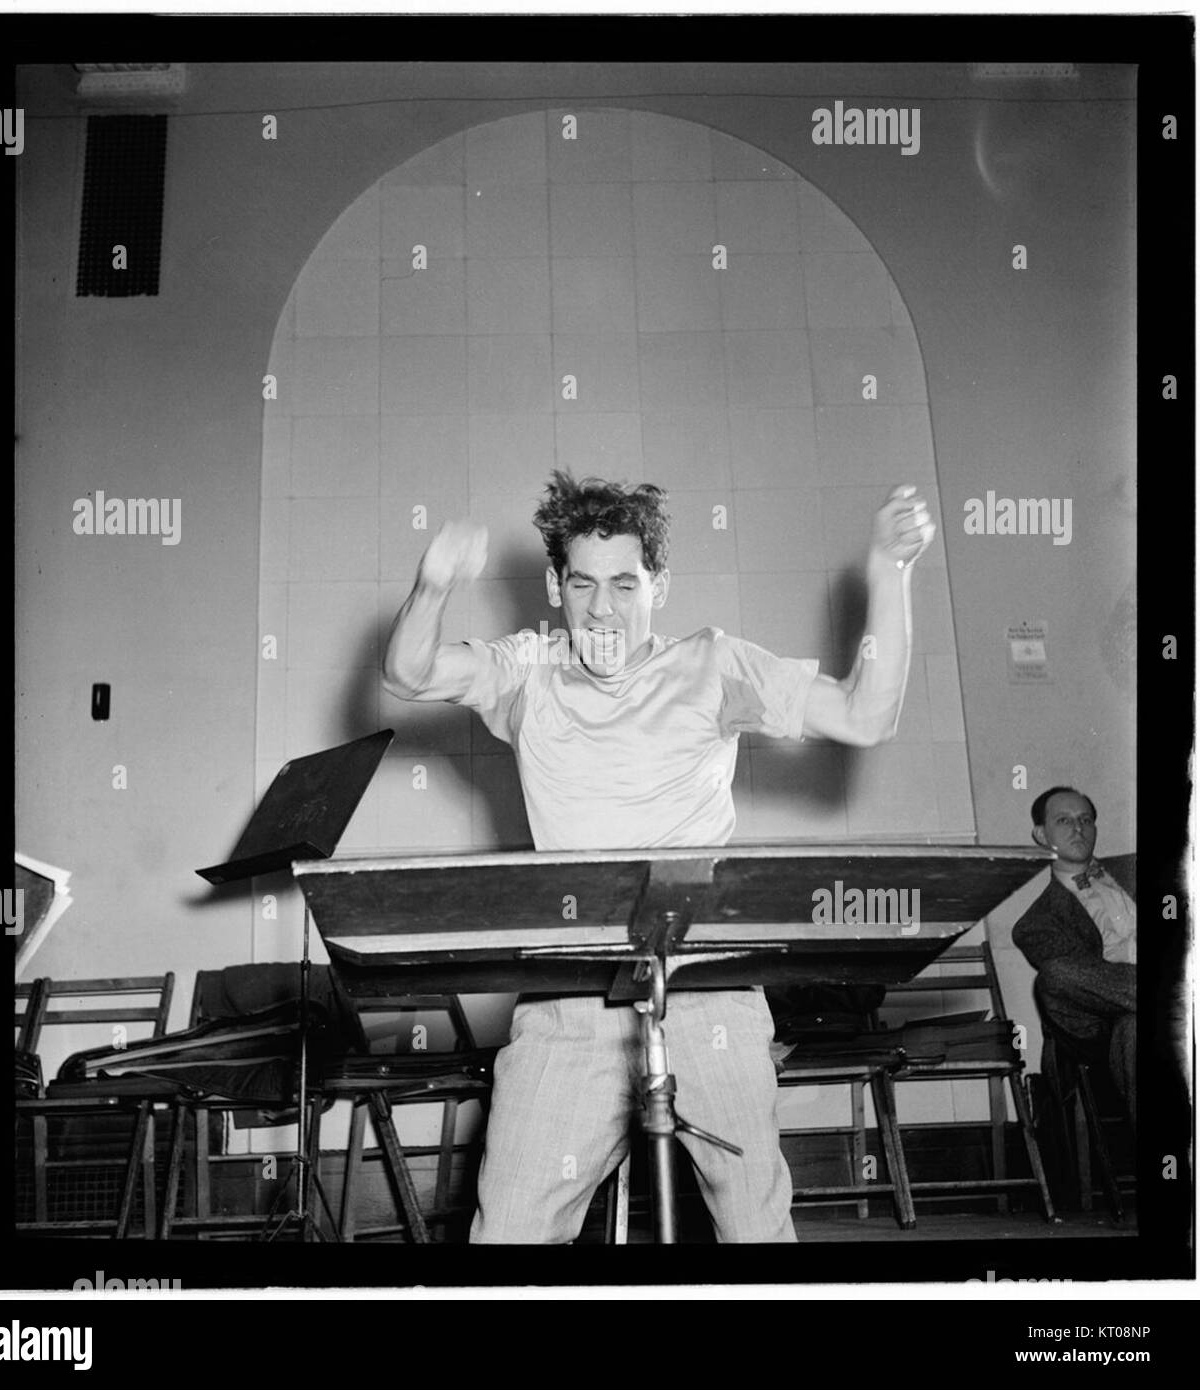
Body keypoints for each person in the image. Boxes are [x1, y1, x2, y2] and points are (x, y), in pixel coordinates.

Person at [383, 471, 934, 1242]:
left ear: (659, 585)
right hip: (569, 995)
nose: (602, 610)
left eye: (624, 584)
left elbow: (865, 716)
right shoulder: (526, 669)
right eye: (581, 585)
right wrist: (433, 584)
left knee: (752, 1224)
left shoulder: (714, 665)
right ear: (553, 586)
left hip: (709, 986)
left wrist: (888, 570)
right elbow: (408, 673)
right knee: (509, 1229)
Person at [1011, 787, 1136, 1125]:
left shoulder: (1139, 868)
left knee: (1135, 1029)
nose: (1077, 829)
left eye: (1085, 820)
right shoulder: (1036, 924)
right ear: (1041, 834)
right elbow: (1087, 983)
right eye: (1063, 820)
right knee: (1054, 976)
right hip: (1100, 1028)